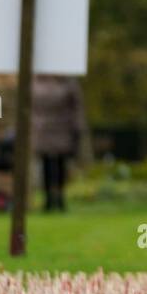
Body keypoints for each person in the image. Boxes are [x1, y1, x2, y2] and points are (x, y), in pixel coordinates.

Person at [31, 74, 85, 212]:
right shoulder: (36, 81)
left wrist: (78, 127)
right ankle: (49, 199)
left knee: (60, 164)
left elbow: (77, 106)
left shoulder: (68, 82)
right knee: (46, 164)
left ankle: (59, 198)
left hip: (61, 128)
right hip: (43, 129)